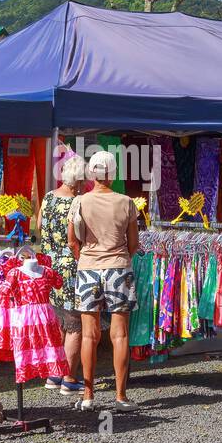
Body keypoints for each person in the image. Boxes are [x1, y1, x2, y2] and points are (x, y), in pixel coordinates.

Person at [68, 150, 140, 412]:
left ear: (91, 174)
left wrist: (86, 258)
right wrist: (119, 257)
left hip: (88, 268)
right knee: (119, 334)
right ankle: (121, 396)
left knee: (89, 334)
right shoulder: (126, 202)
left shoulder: (80, 202)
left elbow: (72, 241)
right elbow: (134, 243)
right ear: (113, 173)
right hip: (118, 267)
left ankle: (88, 395)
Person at [37, 153, 87, 397]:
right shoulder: (77, 202)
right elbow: (80, 236)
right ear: (78, 180)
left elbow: (38, 225)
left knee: (58, 321)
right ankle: (68, 378)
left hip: (49, 267)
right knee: (75, 323)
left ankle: (53, 374)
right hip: (70, 267)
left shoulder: (47, 197)